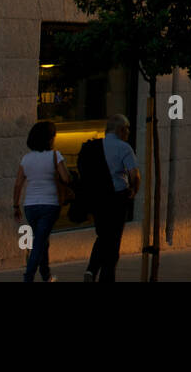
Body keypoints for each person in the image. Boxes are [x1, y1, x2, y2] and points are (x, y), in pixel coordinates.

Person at [84, 114, 141, 283]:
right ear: (120, 130)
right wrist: (134, 190)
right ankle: (107, 277)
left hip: (98, 197)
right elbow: (134, 174)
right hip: (117, 197)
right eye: (127, 128)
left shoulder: (95, 146)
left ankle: (91, 269)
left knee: (103, 235)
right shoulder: (124, 147)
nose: (129, 132)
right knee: (114, 239)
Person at [13, 120, 70, 282]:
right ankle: (28, 277)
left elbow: (18, 184)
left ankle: (47, 276)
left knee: (41, 240)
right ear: (50, 138)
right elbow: (66, 178)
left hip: (30, 206)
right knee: (39, 241)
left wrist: (15, 205)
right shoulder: (55, 156)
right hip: (50, 204)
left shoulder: (26, 159)